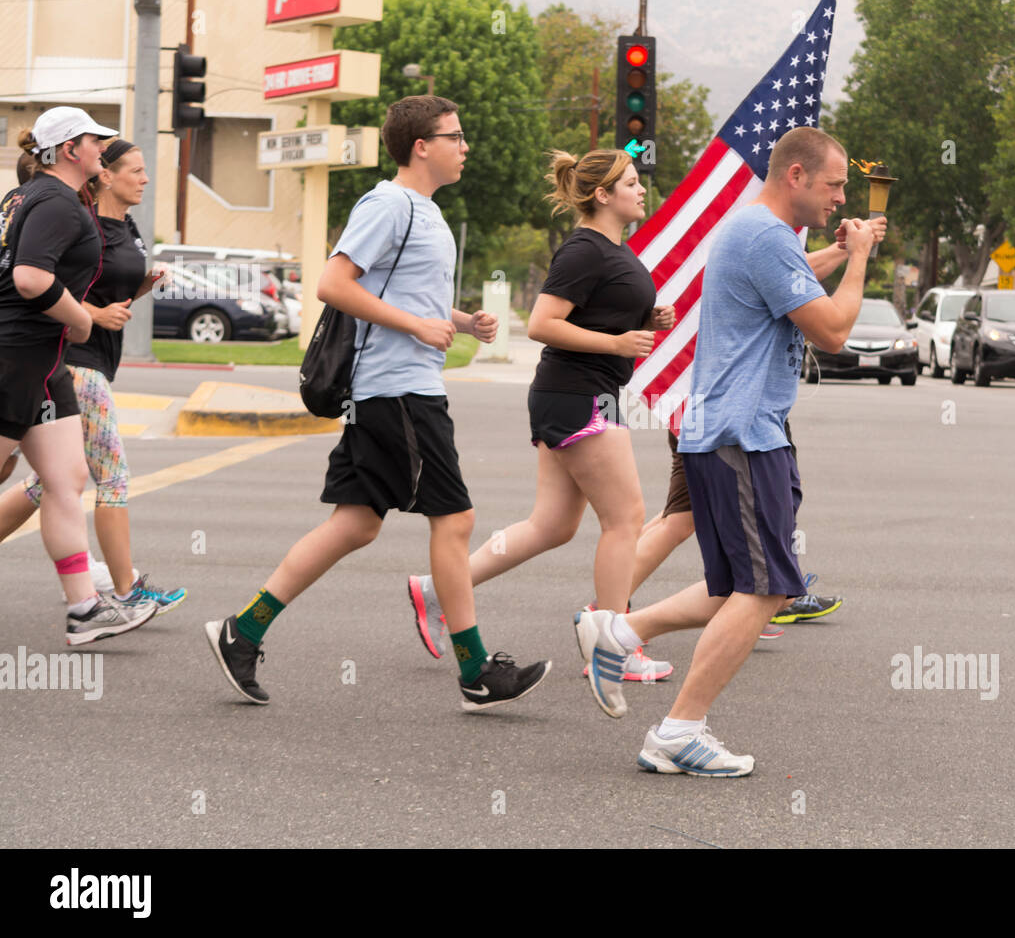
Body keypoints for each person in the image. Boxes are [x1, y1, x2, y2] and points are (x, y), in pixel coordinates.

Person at [205, 95, 550, 709]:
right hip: (400, 391)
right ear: (422, 146)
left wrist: (458, 321)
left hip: (395, 389)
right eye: (456, 135)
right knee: (456, 520)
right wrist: (417, 329)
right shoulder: (389, 203)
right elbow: (334, 283)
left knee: (356, 524)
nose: (465, 146)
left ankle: (244, 629)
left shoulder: (427, 212)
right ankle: (474, 671)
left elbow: (402, 294)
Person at [573, 127, 887, 775]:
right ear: (795, 177)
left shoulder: (756, 234)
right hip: (742, 436)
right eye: (833, 185)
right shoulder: (767, 236)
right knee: (766, 588)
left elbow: (793, 283)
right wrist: (857, 260)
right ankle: (678, 731)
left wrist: (835, 253)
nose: (840, 198)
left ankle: (620, 632)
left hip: (730, 432)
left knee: (739, 587)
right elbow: (831, 331)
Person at [406, 148, 675, 681]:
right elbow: (543, 323)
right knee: (625, 520)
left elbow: (596, 311)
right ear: (602, 195)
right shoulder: (583, 250)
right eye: (631, 182)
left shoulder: (610, 248)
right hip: (580, 394)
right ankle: (614, 648)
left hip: (574, 392)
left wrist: (646, 317)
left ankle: (437, 588)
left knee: (551, 525)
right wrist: (617, 342)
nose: (642, 189)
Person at [0, 138, 185, 615]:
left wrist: (141, 287)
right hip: (73, 364)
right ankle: (125, 589)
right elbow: (39, 283)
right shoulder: (77, 222)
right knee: (112, 478)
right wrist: (91, 317)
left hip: (90, 361)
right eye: (136, 170)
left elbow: (107, 291)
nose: (145, 178)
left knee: (56, 482)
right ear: (104, 175)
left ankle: (88, 605)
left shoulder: (127, 229)